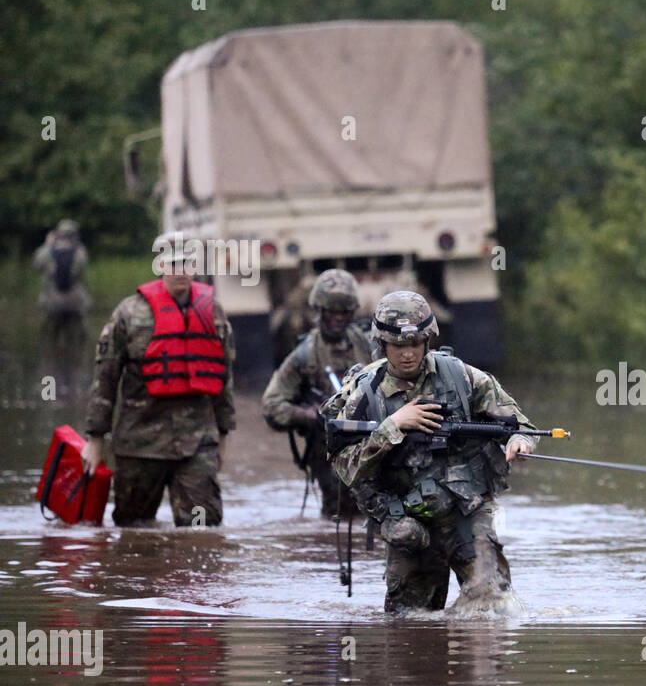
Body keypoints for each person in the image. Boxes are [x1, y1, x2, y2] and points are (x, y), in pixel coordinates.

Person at [325, 291, 534, 617]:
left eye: (415, 345)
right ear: (383, 344)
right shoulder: (365, 393)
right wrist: (393, 426)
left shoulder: (462, 377)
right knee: (411, 626)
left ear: (427, 341)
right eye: (398, 346)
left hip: (468, 512)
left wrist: (519, 441)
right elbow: (345, 466)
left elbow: (516, 422)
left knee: (495, 613)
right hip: (408, 521)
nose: (407, 354)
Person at [80, 232, 236, 527]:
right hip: (139, 441)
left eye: (187, 262)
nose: (180, 270)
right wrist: (95, 439)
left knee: (203, 530)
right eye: (173, 263)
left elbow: (224, 376)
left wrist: (224, 434)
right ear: (160, 265)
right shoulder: (129, 313)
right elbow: (105, 378)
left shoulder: (213, 313)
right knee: (133, 530)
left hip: (196, 441)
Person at [261, 269, 371, 516]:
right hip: (329, 454)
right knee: (337, 519)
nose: (337, 319)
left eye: (344, 312)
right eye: (331, 311)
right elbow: (271, 405)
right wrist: (309, 415)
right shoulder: (304, 355)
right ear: (318, 311)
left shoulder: (369, 345)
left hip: (373, 446)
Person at [34, 219, 92, 334]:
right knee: (77, 335)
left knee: (50, 334)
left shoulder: (47, 250)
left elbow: (36, 265)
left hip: (52, 299)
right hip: (75, 300)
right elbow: (82, 267)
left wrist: (47, 244)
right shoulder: (80, 250)